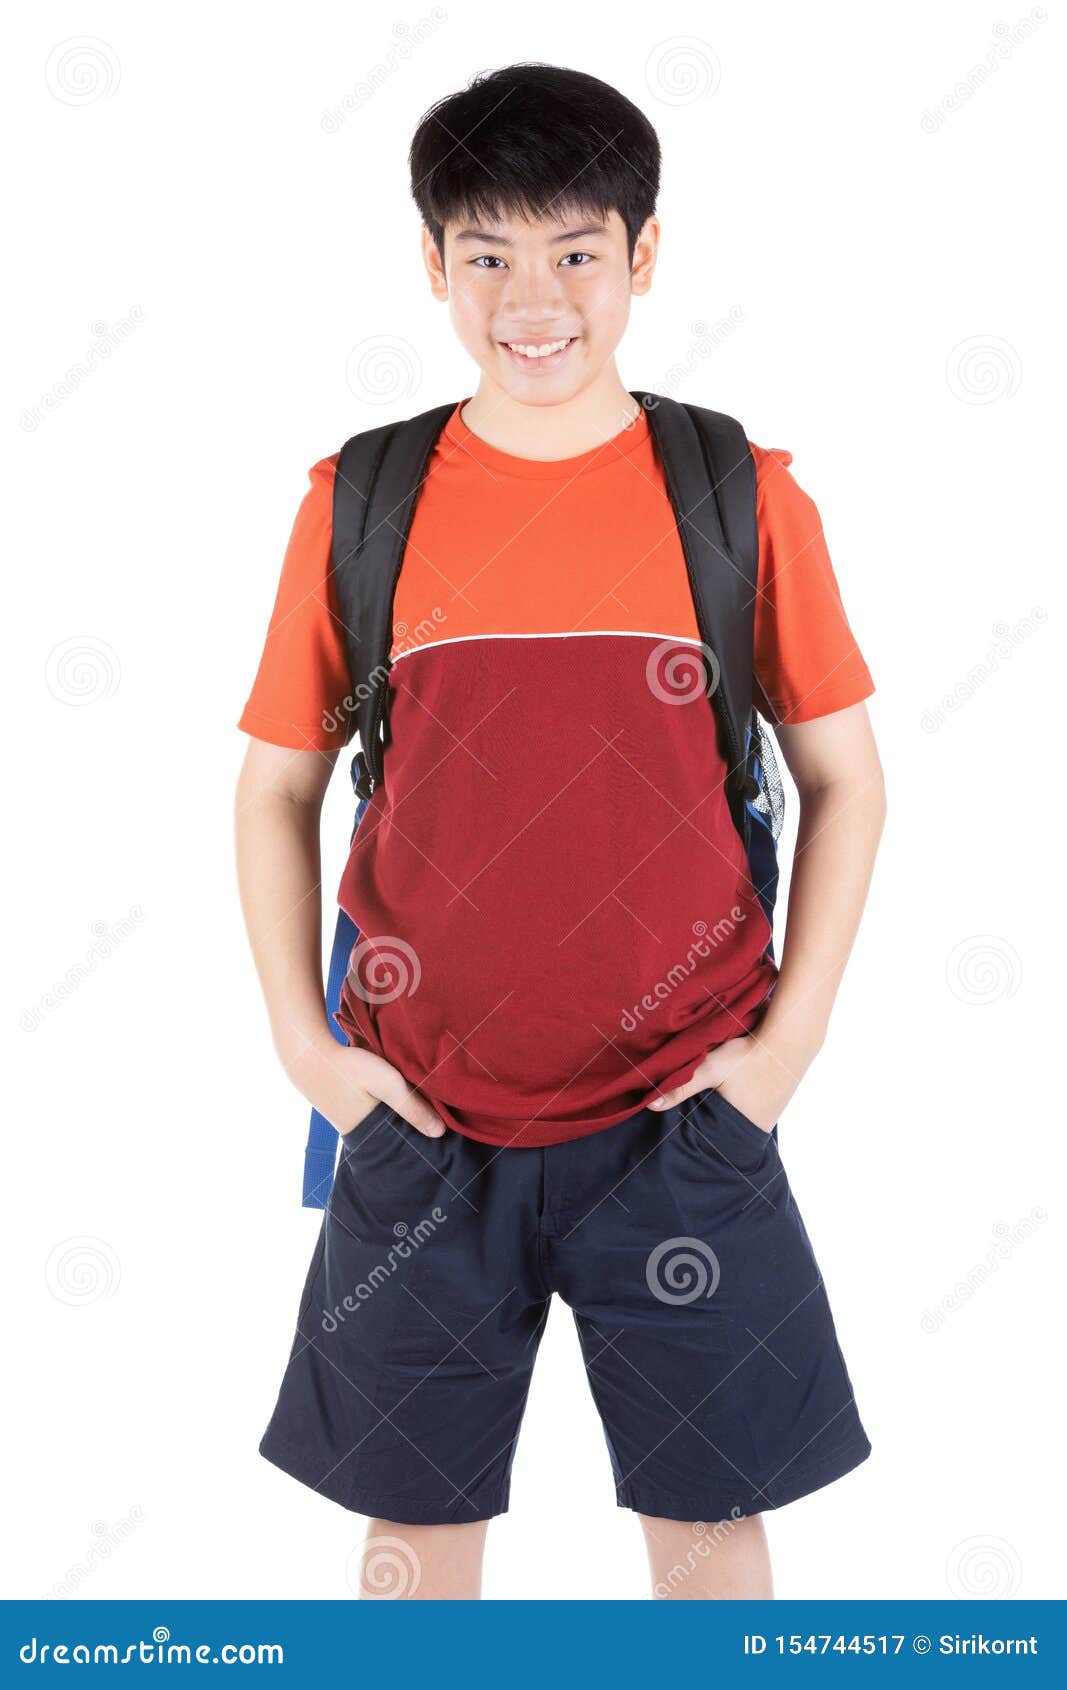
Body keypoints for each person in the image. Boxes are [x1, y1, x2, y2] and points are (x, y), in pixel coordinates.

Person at [234, 62, 886, 1601]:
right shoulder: (362, 501)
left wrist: (777, 1064)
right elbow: (274, 788)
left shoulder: (736, 495)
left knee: (714, 1538)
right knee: (411, 1550)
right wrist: (309, 1060)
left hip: (688, 1120)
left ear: (643, 255)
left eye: (576, 252)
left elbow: (850, 780)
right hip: (419, 1118)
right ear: (433, 262)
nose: (534, 299)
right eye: (488, 256)